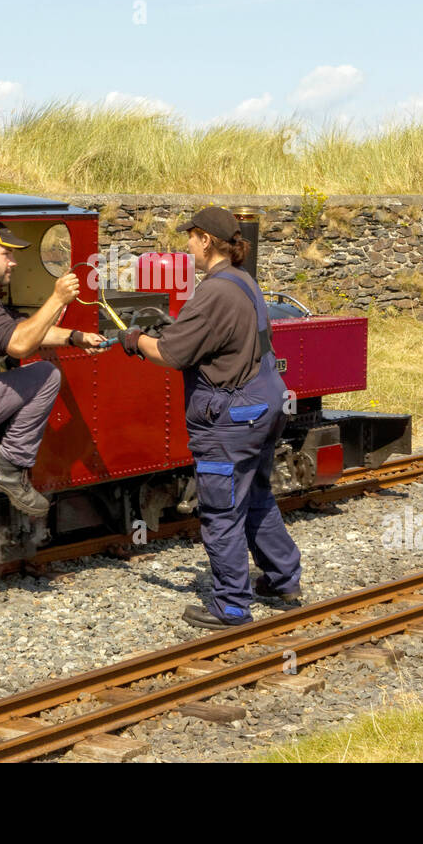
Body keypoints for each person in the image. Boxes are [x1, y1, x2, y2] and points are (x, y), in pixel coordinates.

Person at [122, 205, 303, 630]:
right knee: (256, 495)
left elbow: (169, 354)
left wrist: (134, 339)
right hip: (265, 406)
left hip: (232, 418)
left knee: (221, 511)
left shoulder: (214, 291)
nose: (186, 245)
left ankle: (232, 607)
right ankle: (282, 579)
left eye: (191, 237)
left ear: (206, 240)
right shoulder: (243, 282)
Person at [0, 221, 106, 516]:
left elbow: (21, 329)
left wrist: (74, 337)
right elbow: (20, 344)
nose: (14, 261)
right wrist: (57, 299)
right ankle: (8, 468)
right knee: (46, 375)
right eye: (6, 253)